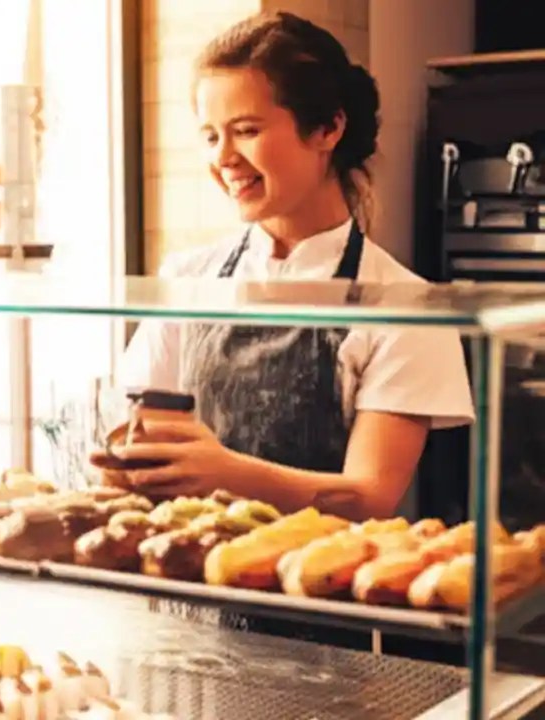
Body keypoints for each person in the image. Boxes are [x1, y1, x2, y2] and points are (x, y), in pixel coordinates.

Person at [94, 12, 474, 522]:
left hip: (316, 588)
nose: (224, 158)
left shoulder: (405, 307)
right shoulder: (188, 280)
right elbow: (139, 435)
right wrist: (123, 463)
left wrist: (226, 473)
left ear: (328, 128)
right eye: (211, 137)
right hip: (182, 582)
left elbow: (369, 497)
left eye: (246, 131)